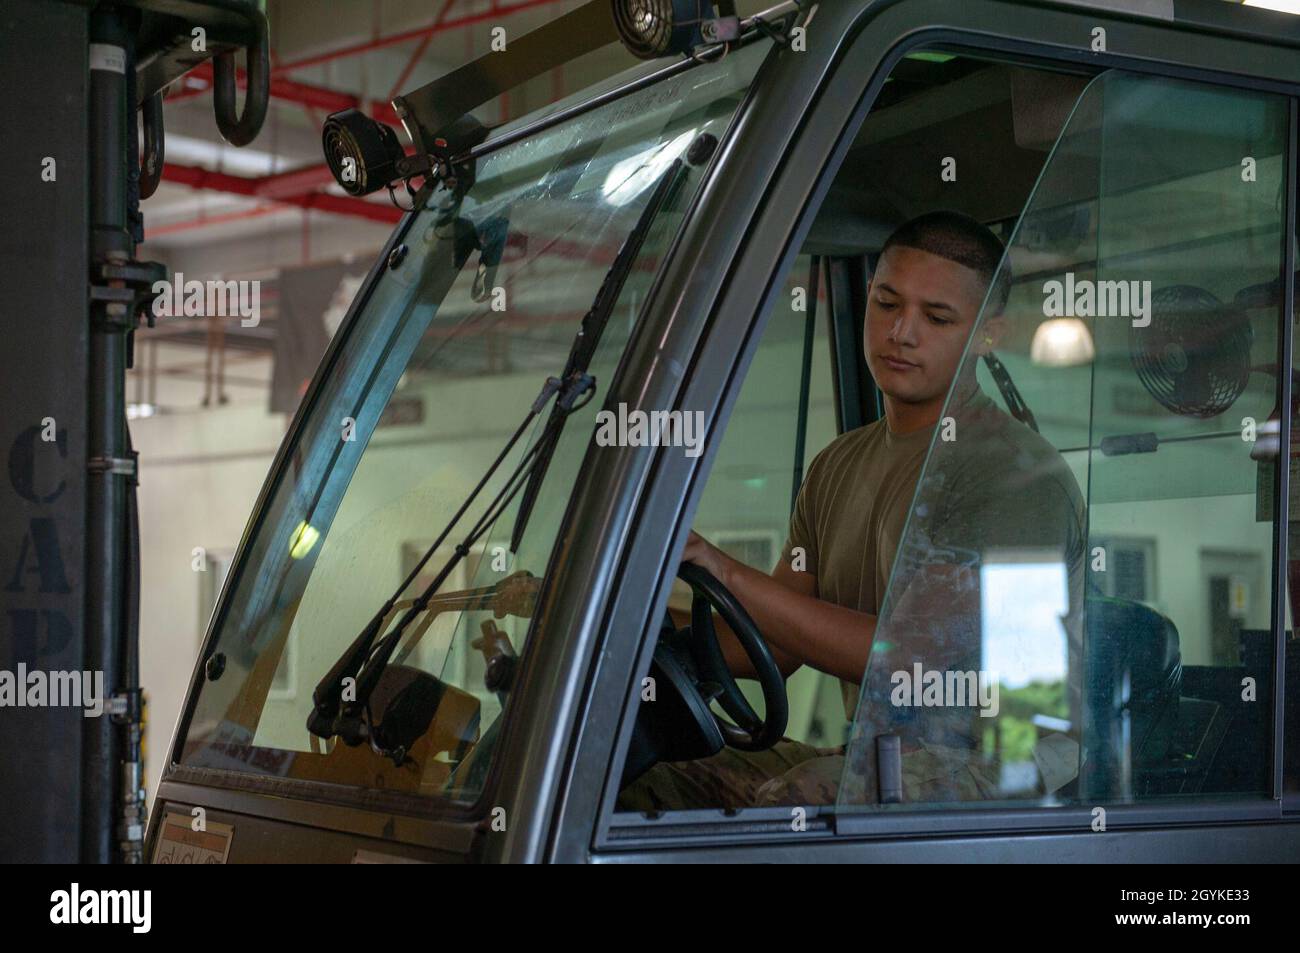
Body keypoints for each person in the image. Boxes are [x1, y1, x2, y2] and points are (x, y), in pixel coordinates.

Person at [617, 210, 1086, 812]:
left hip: (1005, 765)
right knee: (623, 771)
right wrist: (634, 631)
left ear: (988, 334)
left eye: (937, 317)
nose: (901, 333)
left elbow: (906, 660)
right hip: (881, 753)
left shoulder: (1011, 475)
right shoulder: (837, 465)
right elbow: (774, 647)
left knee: (794, 802)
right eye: (887, 304)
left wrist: (724, 570)